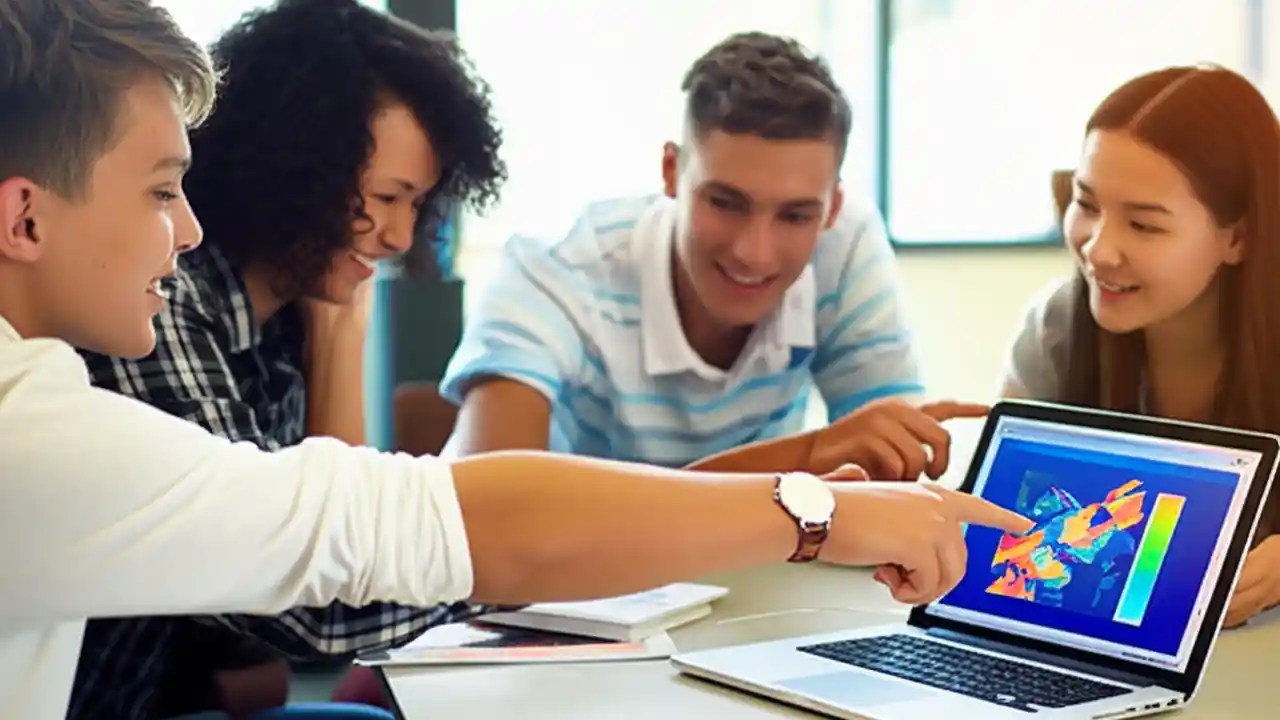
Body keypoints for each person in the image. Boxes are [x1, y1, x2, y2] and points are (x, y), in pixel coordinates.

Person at [0, 1, 1032, 718]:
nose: (188, 228)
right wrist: (816, 502)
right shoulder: (39, 421)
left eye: (413, 205)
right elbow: (397, 543)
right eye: (159, 188)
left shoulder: (182, 343)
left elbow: (349, 533)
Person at [69, 0, 503, 716]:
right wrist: (517, 567)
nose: (399, 236)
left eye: (418, 205)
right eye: (386, 198)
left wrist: (340, 333)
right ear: (294, 167)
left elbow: (340, 536)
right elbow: (316, 596)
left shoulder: (280, 323)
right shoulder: (165, 303)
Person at [435, 32, 985, 480]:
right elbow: (488, 523)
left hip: (746, 582)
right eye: (725, 203)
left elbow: (892, 469)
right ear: (672, 172)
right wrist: (805, 459)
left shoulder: (844, 245)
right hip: (563, 606)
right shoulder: (552, 273)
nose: (753, 252)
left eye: (795, 215)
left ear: (832, 207)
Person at [1000, 64, 1280, 629]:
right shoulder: (1059, 327)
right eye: (1087, 204)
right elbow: (1003, 522)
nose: (1098, 251)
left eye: (1145, 226)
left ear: (1239, 236)